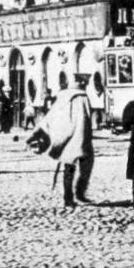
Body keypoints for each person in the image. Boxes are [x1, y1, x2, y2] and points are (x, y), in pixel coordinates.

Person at [42, 79, 94, 207]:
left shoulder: (62, 99)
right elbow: (88, 117)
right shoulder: (84, 98)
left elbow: (54, 118)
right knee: (86, 167)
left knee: (68, 168)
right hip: (83, 137)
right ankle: (80, 193)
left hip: (67, 138)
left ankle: (68, 198)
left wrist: (58, 138)